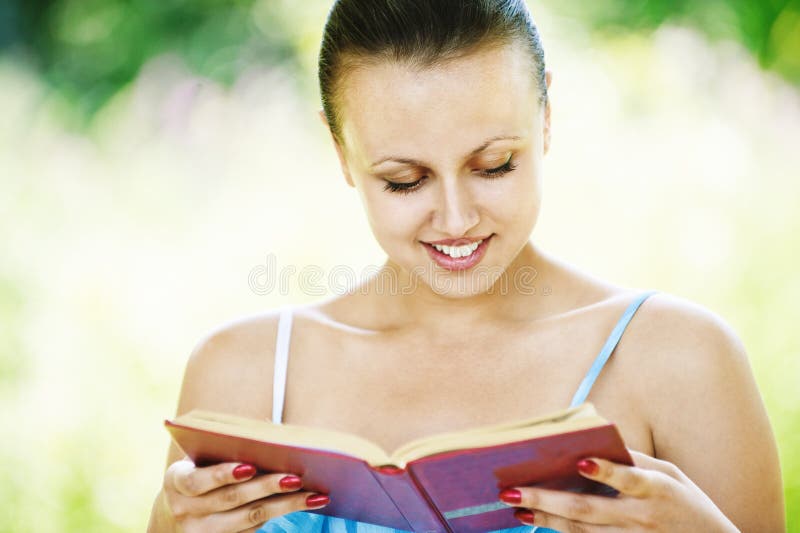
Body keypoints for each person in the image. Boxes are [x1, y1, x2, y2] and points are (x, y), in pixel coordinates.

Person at [146, 1, 785, 532]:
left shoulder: (679, 360)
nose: (455, 220)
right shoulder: (244, 375)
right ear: (341, 152)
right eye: (404, 179)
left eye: (494, 165)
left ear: (546, 118)